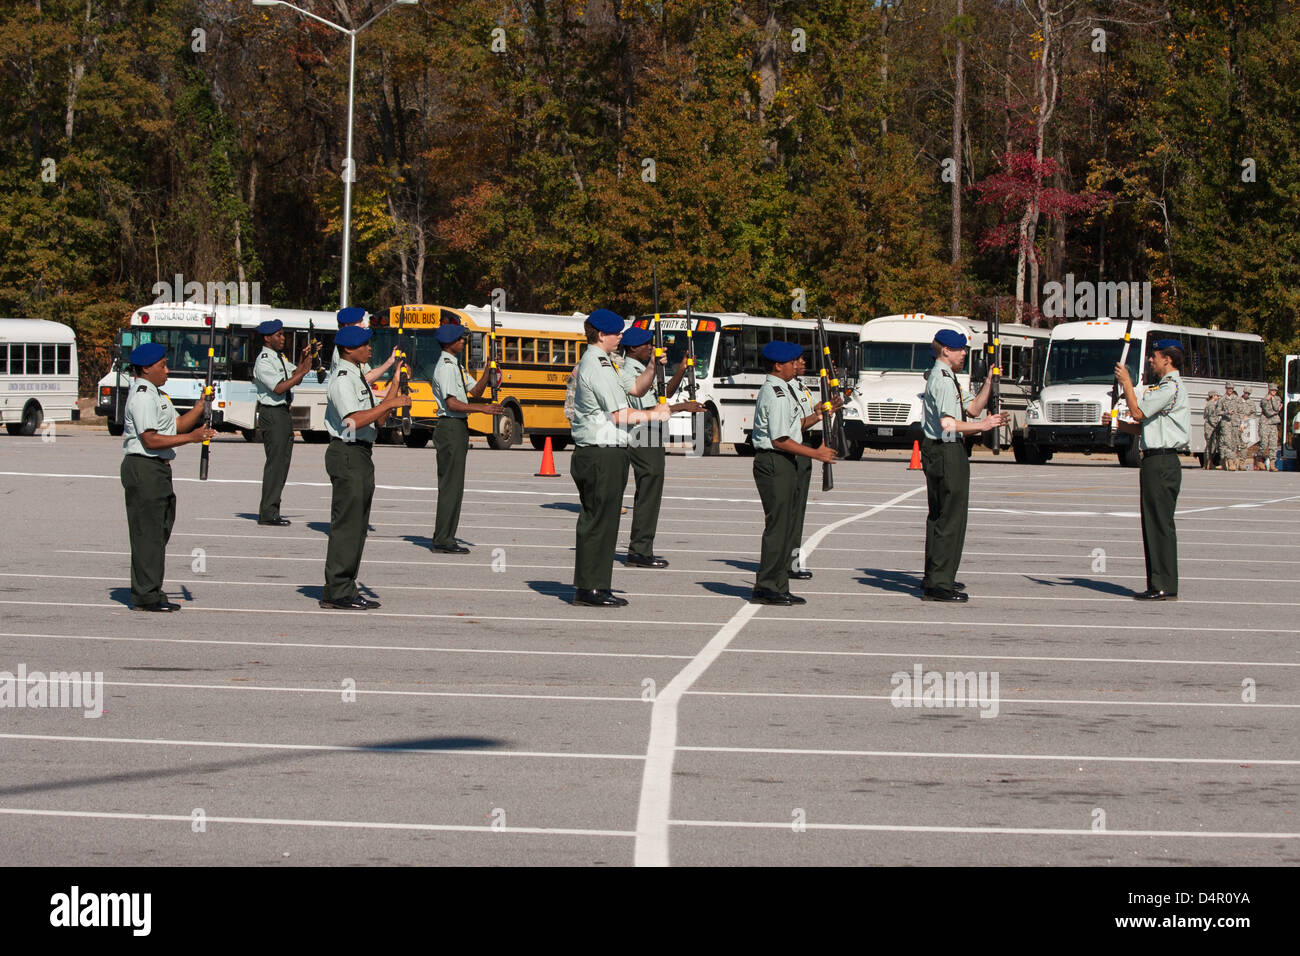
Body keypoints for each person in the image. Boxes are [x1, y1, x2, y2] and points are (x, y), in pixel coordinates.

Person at [568, 309, 670, 607]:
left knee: (601, 520)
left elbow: (635, 388)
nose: (621, 337)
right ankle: (591, 588)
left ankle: (594, 584)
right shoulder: (597, 364)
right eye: (617, 333)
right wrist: (655, 414)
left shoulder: (607, 362)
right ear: (601, 335)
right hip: (601, 452)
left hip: (606, 452)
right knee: (600, 521)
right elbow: (621, 414)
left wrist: (652, 366)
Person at [120, 342, 216, 612]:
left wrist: (200, 407)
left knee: (158, 530)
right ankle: (145, 595)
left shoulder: (158, 394)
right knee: (147, 534)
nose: (167, 369)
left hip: (158, 469)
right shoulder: (142, 395)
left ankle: (151, 587)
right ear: (147, 368)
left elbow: (174, 425)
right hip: (144, 466)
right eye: (162, 365)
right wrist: (192, 438)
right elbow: (150, 439)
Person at [321, 324, 411, 610]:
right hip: (347, 452)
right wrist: (393, 401)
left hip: (361, 454)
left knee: (357, 526)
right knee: (347, 526)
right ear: (349, 349)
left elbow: (378, 419)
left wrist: (395, 383)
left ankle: (345, 586)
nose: (370, 348)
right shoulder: (343, 379)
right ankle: (337, 590)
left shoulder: (357, 376)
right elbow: (353, 421)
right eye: (365, 344)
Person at [919, 329, 1007, 602]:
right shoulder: (944, 380)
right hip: (947, 448)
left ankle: (937, 575)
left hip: (942, 449)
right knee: (950, 517)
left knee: (941, 515)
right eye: (959, 349)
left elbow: (972, 409)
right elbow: (949, 424)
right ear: (946, 350)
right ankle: (939, 583)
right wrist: (984, 426)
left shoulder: (947, 377)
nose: (964, 354)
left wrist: (990, 382)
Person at [749, 340, 837, 606]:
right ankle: (767, 586)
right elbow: (780, 439)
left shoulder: (783, 389)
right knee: (778, 528)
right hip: (775, 460)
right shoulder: (775, 392)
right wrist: (816, 454)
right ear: (778, 365)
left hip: (783, 460)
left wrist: (821, 413)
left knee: (786, 526)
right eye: (791, 362)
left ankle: (778, 584)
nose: (796, 366)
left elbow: (794, 424)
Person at [614, 326, 704, 568]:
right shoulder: (630, 371)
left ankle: (642, 548)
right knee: (649, 491)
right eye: (647, 345)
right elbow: (651, 409)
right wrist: (682, 409)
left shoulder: (644, 369)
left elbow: (663, 395)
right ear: (633, 348)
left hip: (650, 433)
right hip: (642, 434)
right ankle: (640, 550)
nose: (652, 349)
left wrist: (682, 369)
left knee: (650, 490)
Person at [1114, 339, 1190, 600]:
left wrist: (1126, 382)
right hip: (1157, 459)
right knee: (1156, 523)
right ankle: (1162, 583)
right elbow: (1141, 426)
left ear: (1167, 359)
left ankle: (1162, 585)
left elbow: (1138, 413)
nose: (1150, 360)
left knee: (1158, 524)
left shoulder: (1170, 387)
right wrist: (1116, 423)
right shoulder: (1167, 387)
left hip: (1161, 461)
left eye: (1154, 356)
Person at [430, 322, 505, 553]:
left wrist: (487, 372)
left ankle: (446, 536)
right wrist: (483, 410)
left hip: (458, 427)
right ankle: (443, 539)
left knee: (455, 486)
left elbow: (475, 391)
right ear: (450, 343)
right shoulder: (446, 366)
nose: (463, 342)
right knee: (451, 486)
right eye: (460, 340)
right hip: (450, 426)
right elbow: (452, 403)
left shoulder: (456, 365)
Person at [787, 352, 843, 579]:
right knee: (788, 514)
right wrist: (818, 415)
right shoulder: (784, 390)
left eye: (803, 359)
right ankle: (785, 562)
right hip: (793, 449)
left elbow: (810, 413)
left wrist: (828, 401)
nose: (802, 362)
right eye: (797, 359)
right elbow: (793, 424)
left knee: (797, 513)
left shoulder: (800, 387)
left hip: (804, 448)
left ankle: (791, 561)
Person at [252, 319, 314, 526]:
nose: (282, 338)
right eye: (278, 335)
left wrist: (305, 358)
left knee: (282, 464)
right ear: (267, 338)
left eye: (283, 334)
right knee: (275, 465)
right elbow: (279, 388)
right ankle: (268, 512)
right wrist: (302, 372)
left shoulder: (278, 358)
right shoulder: (264, 361)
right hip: (272, 413)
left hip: (283, 413)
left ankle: (273, 509)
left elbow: (295, 374)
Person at [330, 306, 396, 386]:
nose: (364, 325)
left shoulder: (352, 349)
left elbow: (369, 375)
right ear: (347, 325)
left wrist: (390, 361)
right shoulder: (341, 352)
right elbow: (363, 381)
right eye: (360, 322)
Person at [1218, 383, 1243, 470]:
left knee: (1234, 443)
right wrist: (1227, 412)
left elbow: (1241, 411)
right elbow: (1217, 411)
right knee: (1228, 443)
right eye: (1229, 388)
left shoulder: (1237, 399)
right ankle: (1230, 462)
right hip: (1226, 424)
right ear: (1226, 388)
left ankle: (1231, 461)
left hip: (1235, 424)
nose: (1230, 390)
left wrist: (1242, 423)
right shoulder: (1222, 399)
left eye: (1232, 388)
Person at [1259, 385, 1282, 471]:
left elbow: (1276, 408)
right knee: (1264, 443)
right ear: (1269, 390)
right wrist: (1276, 410)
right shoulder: (1264, 399)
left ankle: (1272, 464)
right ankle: (1259, 458)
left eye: (1275, 390)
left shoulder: (1277, 398)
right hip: (1265, 423)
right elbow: (1267, 411)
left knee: (1273, 445)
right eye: (1272, 390)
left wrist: (1272, 400)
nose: (1274, 392)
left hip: (1273, 424)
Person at [1202, 391, 1220, 469]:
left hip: (1208, 426)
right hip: (1210, 427)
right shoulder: (1211, 405)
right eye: (1217, 395)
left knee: (1209, 445)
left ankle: (1207, 464)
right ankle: (1208, 463)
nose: (1218, 397)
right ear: (1213, 396)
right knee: (1210, 446)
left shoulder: (1208, 404)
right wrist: (1216, 425)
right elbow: (1211, 417)